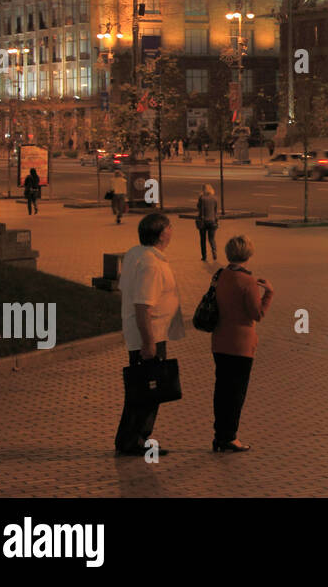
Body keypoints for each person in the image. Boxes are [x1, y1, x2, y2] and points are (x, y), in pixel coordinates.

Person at [115, 213, 184, 456]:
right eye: (169, 227)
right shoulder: (151, 264)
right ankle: (135, 439)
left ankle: (131, 438)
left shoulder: (137, 254)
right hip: (149, 335)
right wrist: (148, 342)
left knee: (143, 389)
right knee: (148, 391)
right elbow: (143, 305)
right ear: (162, 233)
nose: (172, 230)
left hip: (146, 333)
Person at [210, 235, 273, 453]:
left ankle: (219, 434)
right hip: (241, 345)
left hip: (219, 341)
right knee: (236, 393)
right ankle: (230, 437)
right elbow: (257, 314)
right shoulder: (248, 281)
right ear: (248, 254)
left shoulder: (220, 275)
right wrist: (269, 294)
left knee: (222, 390)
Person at [196, 184, 220, 262]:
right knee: (212, 239)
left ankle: (204, 256)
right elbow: (216, 211)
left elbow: (200, 209)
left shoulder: (202, 198)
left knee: (203, 240)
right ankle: (214, 251)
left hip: (203, 221)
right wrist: (216, 219)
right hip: (212, 221)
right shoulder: (215, 199)